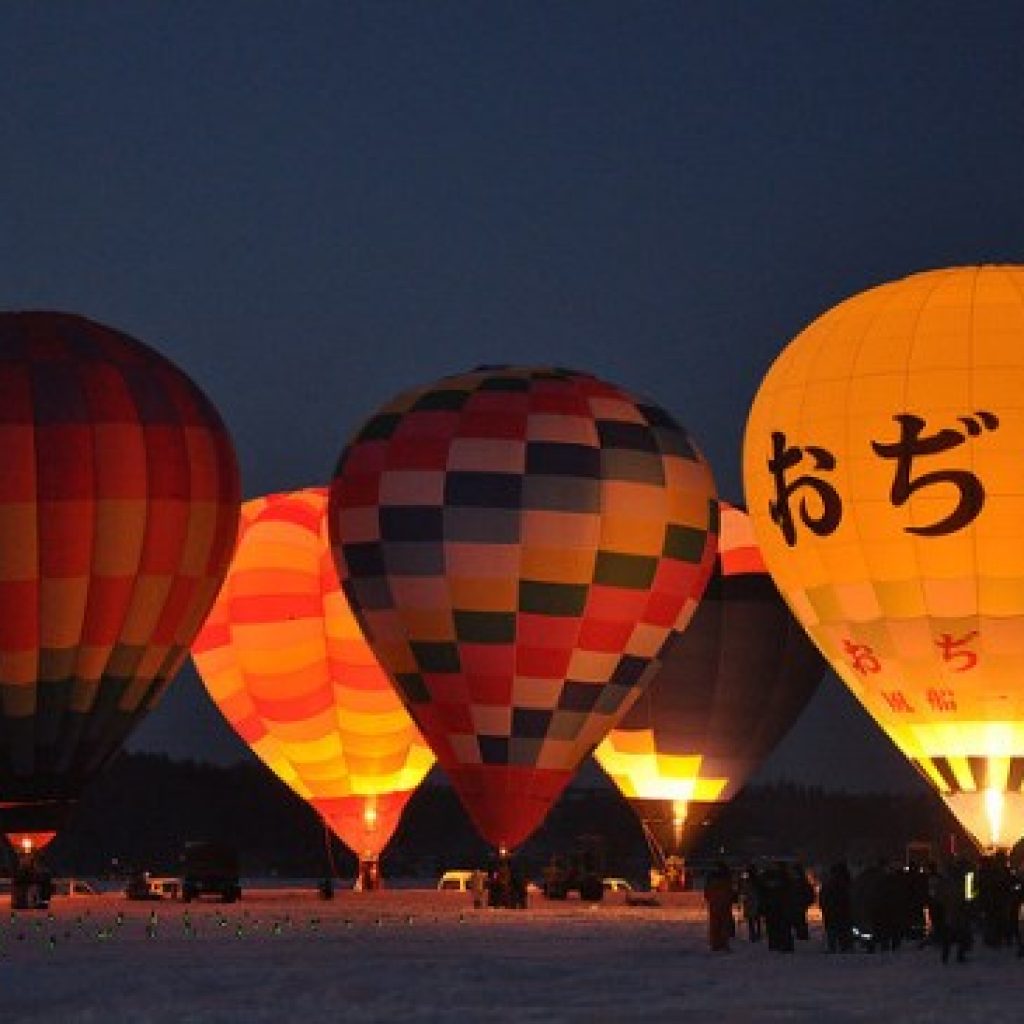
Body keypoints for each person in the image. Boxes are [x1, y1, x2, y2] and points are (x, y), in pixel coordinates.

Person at [818, 862, 852, 953]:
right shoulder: (848, 883)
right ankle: (845, 946)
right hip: (844, 911)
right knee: (844, 930)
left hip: (832, 911)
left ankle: (833, 947)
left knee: (832, 931)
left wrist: (824, 908)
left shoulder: (829, 884)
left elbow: (823, 897)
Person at [703, 862, 735, 952]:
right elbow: (730, 891)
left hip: (714, 904)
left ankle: (715, 943)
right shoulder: (726, 879)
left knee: (715, 925)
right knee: (724, 924)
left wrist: (709, 898)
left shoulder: (711, 879)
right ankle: (723, 943)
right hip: (724, 904)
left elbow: (707, 891)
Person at [739, 865, 762, 942]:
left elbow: (743, 890)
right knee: (756, 918)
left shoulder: (747, 881)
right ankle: (756, 933)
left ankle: (753, 934)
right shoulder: (757, 880)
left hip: (750, 901)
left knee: (751, 918)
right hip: (754, 900)